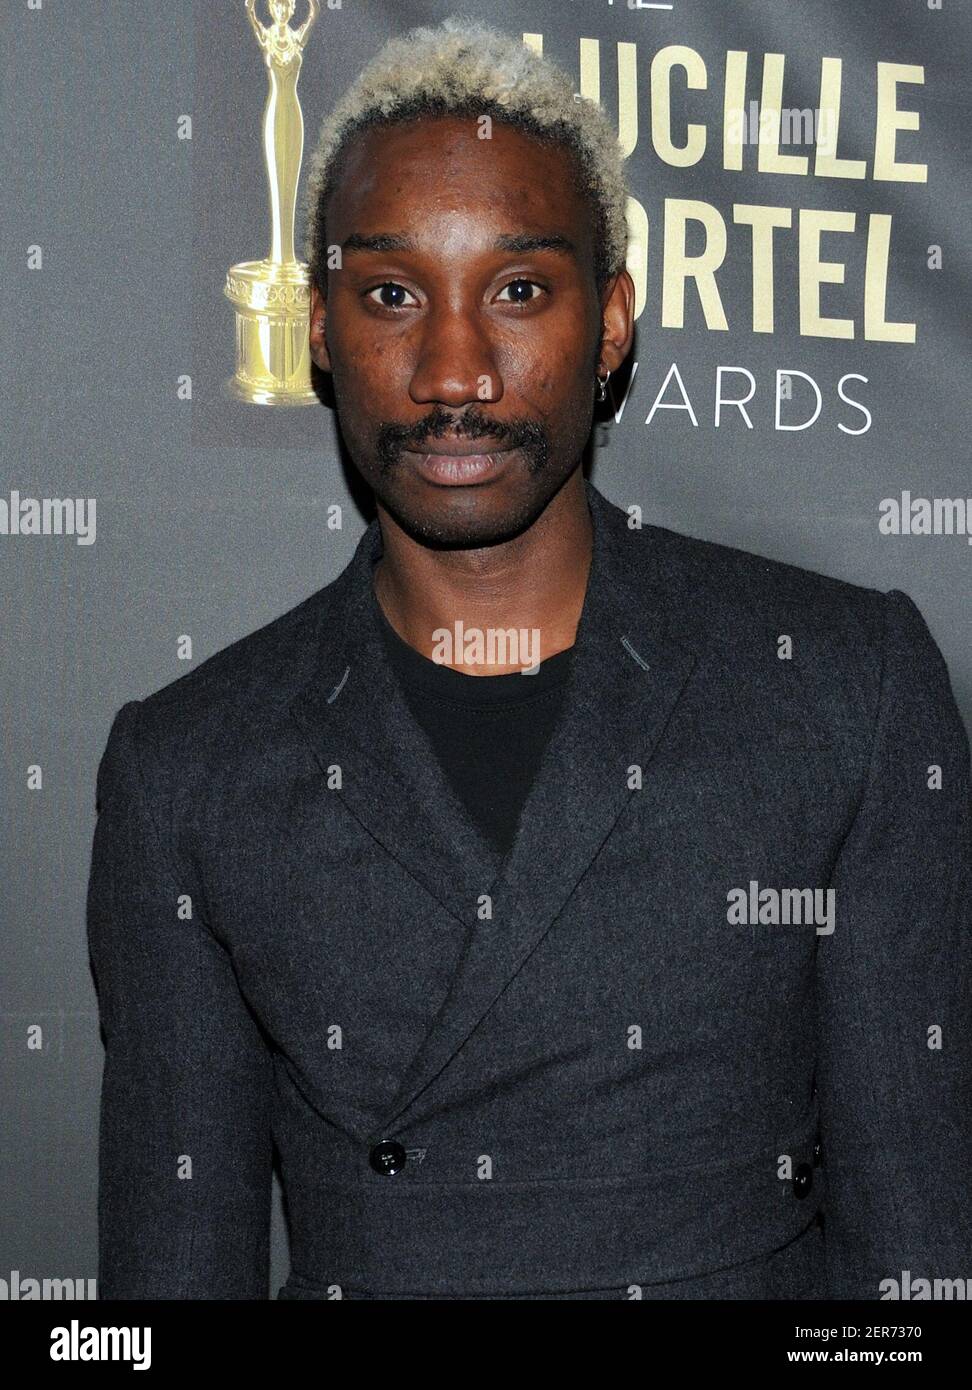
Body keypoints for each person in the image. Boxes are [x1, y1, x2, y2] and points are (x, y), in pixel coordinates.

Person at [87, 16, 972, 1300]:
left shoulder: (846, 688)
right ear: (322, 330)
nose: (455, 372)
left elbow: (918, 1260)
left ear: (611, 321)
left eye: (517, 290)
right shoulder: (190, 766)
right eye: (392, 293)